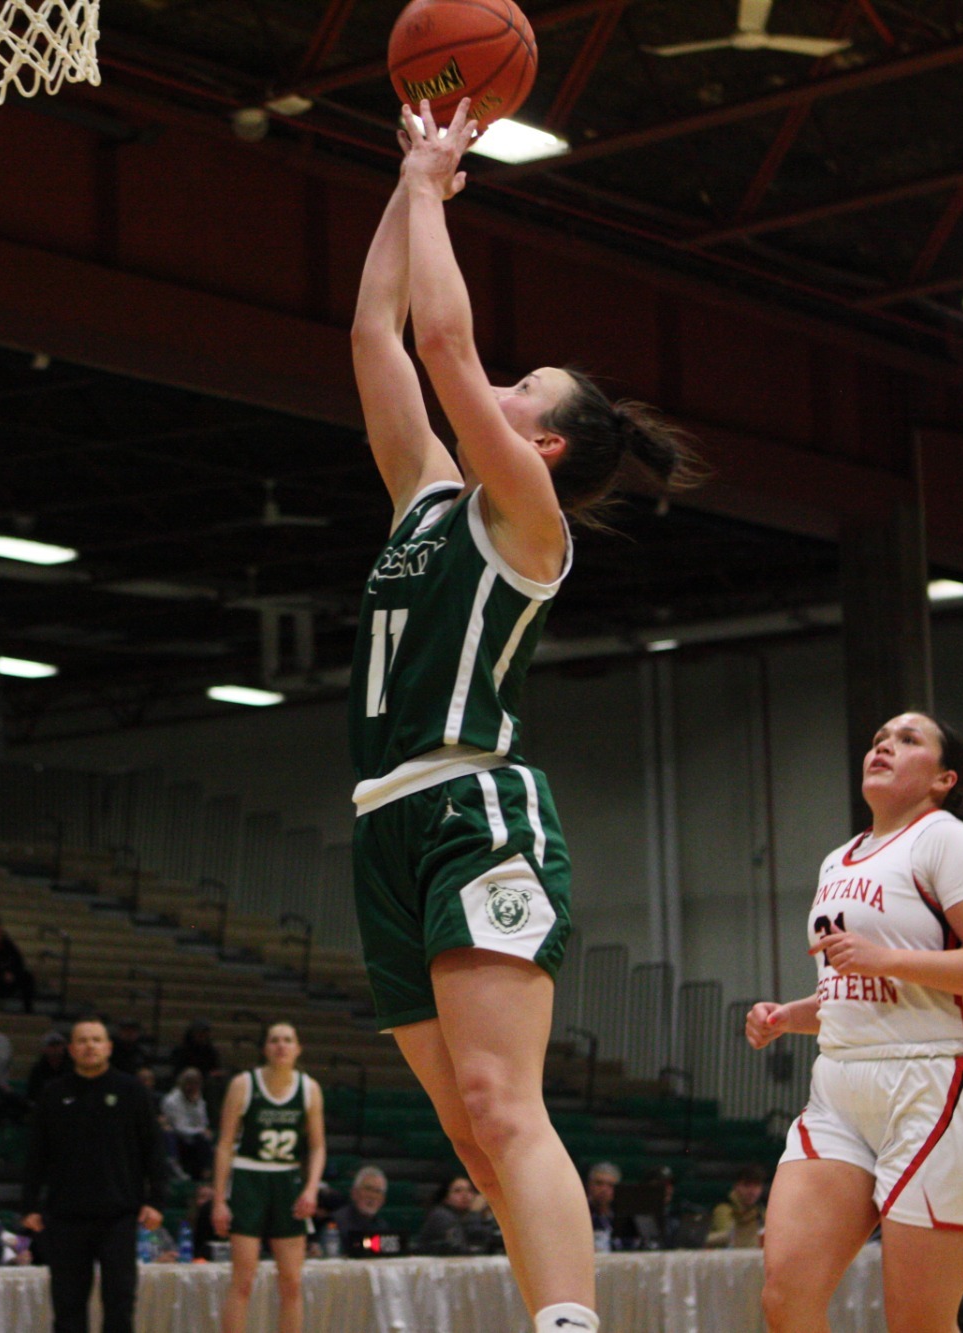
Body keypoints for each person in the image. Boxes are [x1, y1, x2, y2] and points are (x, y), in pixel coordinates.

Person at [346, 98, 703, 1333]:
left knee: (503, 1104)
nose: (492, 387)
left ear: (541, 444)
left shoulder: (523, 522)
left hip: (472, 807)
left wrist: (440, 182)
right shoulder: (429, 498)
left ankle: (566, 1328)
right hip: (382, 822)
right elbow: (377, 338)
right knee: (468, 1132)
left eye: (519, 389)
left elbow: (442, 342)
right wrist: (407, 182)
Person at [747, 713, 963, 1333]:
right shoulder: (836, 860)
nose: (884, 747)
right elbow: (856, 986)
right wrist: (791, 1015)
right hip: (839, 1087)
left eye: (907, 741)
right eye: (878, 739)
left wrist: (885, 957)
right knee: (785, 1296)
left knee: (918, 1321)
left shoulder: (945, 839)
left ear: (943, 779)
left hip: (934, 1084)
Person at [20, 1018, 167, 1333]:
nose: (90, 1046)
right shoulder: (53, 1093)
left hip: (119, 1216)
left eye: (97, 1040)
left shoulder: (132, 1091)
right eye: (83, 1041)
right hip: (65, 1217)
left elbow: (154, 1150)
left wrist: (157, 1201)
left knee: (119, 1305)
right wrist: (30, 1204)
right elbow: (36, 1154)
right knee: (67, 1307)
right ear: (72, 1050)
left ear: (109, 1047)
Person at [213, 1022, 325, 1333]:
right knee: (243, 1280)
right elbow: (224, 1145)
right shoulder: (243, 1084)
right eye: (274, 1040)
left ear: (298, 1048)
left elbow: (317, 1147)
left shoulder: (309, 1088)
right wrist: (220, 1200)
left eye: (288, 1040)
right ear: (265, 1048)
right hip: (250, 1178)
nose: (281, 1046)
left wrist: (312, 1189)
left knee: (291, 1282)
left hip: (287, 1181)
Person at [415, 1174, 497, 1255]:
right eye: (457, 1191)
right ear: (446, 1198)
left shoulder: (469, 1216)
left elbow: (487, 1245)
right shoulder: (441, 1215)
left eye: (470, 1190)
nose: (465, 1195)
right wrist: (474, 1214)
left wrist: (487, 1217)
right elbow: (463, 1247)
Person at [161, 1068, 213, 1180]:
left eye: (196, 1084)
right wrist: (200, 1131)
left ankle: (207, 1174)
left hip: (195, 1136)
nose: (194, 1087)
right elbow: (179, 1127)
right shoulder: (172, 1100)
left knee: (206, 1138)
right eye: (190, 1083)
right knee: (200, 1138)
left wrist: (195, 1104)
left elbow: (203, 1122)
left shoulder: (198, 1098)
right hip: (177, 1136)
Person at [322, 1166, 390, 1243]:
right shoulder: (336, 1222)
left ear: (383, 1200)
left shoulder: (382, 1226)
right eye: (368, 1189)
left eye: (377, 1191)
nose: (372, 1196)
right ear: (354, 1193)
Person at [706, 1164, 766, 1250]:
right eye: (747, 1185)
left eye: (756, 1186)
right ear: (736, 1186)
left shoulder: (760, 1211)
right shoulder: (724, 1209)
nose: (752, 1191)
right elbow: (727, 1238)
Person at [169, 1020, 222, 1088]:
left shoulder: (210, 1050)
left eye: (205, 1034)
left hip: (205, 1081)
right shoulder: (182, 1050)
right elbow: (178, 1070)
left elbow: (215, 1068)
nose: (203, 1036)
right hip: (186, 1079)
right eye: (200, 1034)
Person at [27, 1030, 70, 1100]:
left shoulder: (72, 1068)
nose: (55, 1049)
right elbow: (33, 1093)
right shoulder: (38, 1070)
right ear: (44, 1049)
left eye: (58, 1045)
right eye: (52, 1046)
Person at [585, 1162, 619, 1252]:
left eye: (610, 1185)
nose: (604, 1189)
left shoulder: (620, 1215)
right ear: (589, 1185)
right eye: (599, 1183)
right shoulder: (580, 1212)